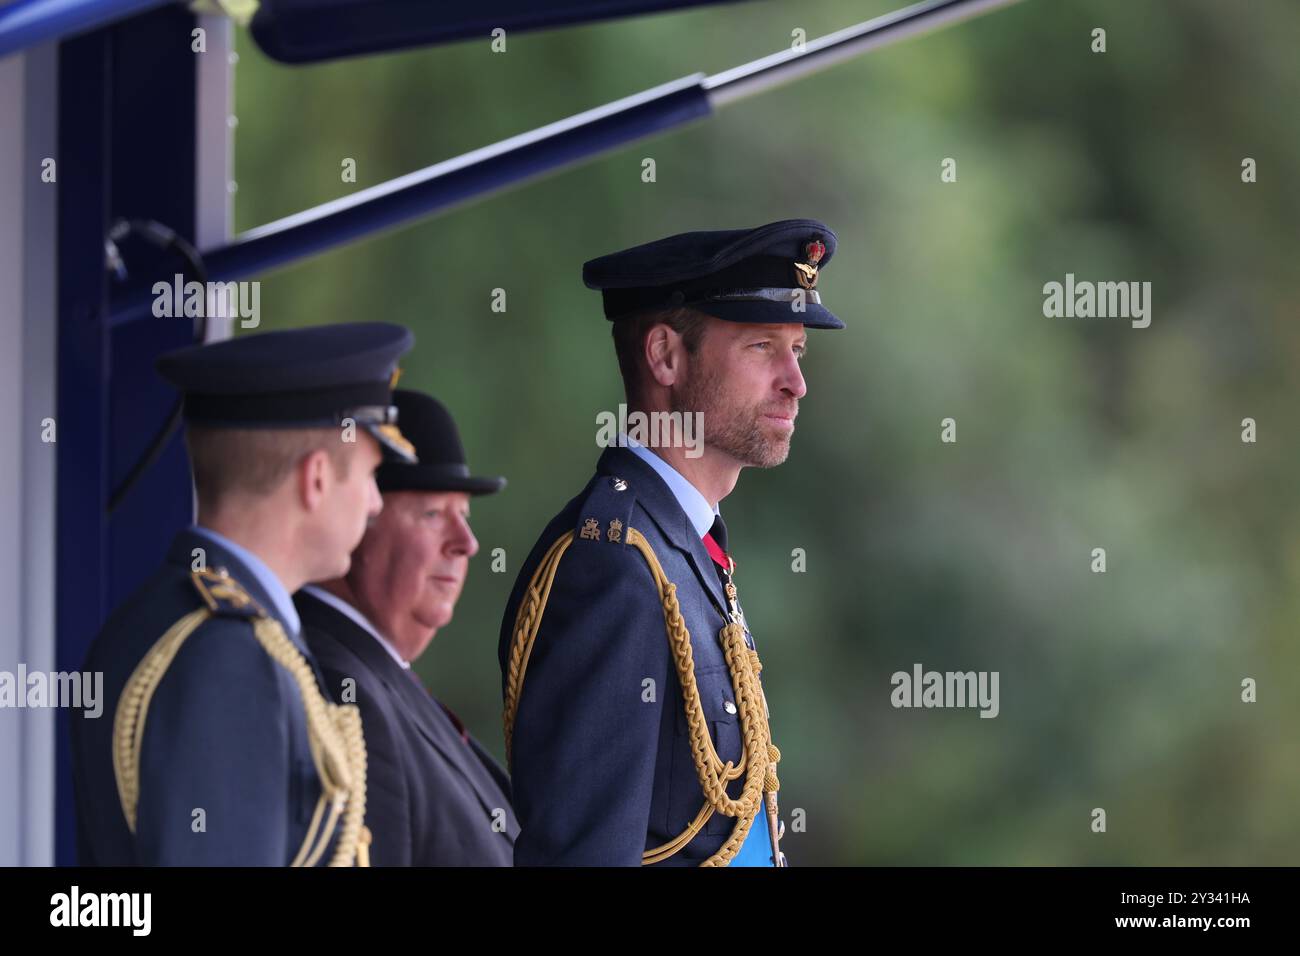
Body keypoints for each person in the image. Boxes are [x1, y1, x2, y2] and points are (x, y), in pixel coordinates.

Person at [499, 219, 843, 866]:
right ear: (664, 356)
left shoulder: (680, 545)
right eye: (762, 347)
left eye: (798, 351)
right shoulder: (611, 564)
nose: (796, 383)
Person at [72, 321, 415, 866]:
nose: (375, 503)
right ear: (317, 478)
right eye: (371, 475)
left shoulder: (171, 619)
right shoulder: (228, 658)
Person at [296, 389, 517, 865]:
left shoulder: (381, 678)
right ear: (357, 518)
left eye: (465, 515)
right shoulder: (342, 687)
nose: (467, 543)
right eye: (434, 514)